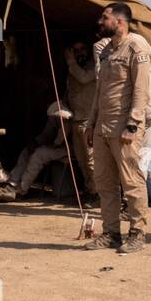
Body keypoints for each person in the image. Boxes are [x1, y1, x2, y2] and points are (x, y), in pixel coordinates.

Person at [82, 2, 151, 254]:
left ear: (119, 21)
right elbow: (100, 91)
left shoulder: (136, 47)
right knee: (105, 183)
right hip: (103, 126)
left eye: (104, 17)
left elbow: (141, 89)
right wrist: (91, 122)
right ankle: (111, 233)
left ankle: (137, 233)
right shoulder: (105, 51)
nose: (100, 21)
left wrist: (133, 123)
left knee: (132, 181)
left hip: (124, 127)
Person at [0, 102, 71, 202]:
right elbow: (47, 134)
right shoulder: (54, 117)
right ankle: (12, 184)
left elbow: (60, 141)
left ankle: (21, 190)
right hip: (56, 146)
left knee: (39, 155)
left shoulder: (68, 121)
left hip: (67, 148)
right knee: (27, 152)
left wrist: (47, 145)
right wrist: (36, 142)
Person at [64, 37, 108, 206]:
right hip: (75, 120)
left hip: (89, 122)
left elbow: (83, 78)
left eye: (82, 49)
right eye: (75, 50)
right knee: (82, 161)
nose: (79, 53)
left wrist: (70, 61)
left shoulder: (93, 67)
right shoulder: (73, 69)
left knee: (92, 161)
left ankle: (98, 194)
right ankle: (90, 191)